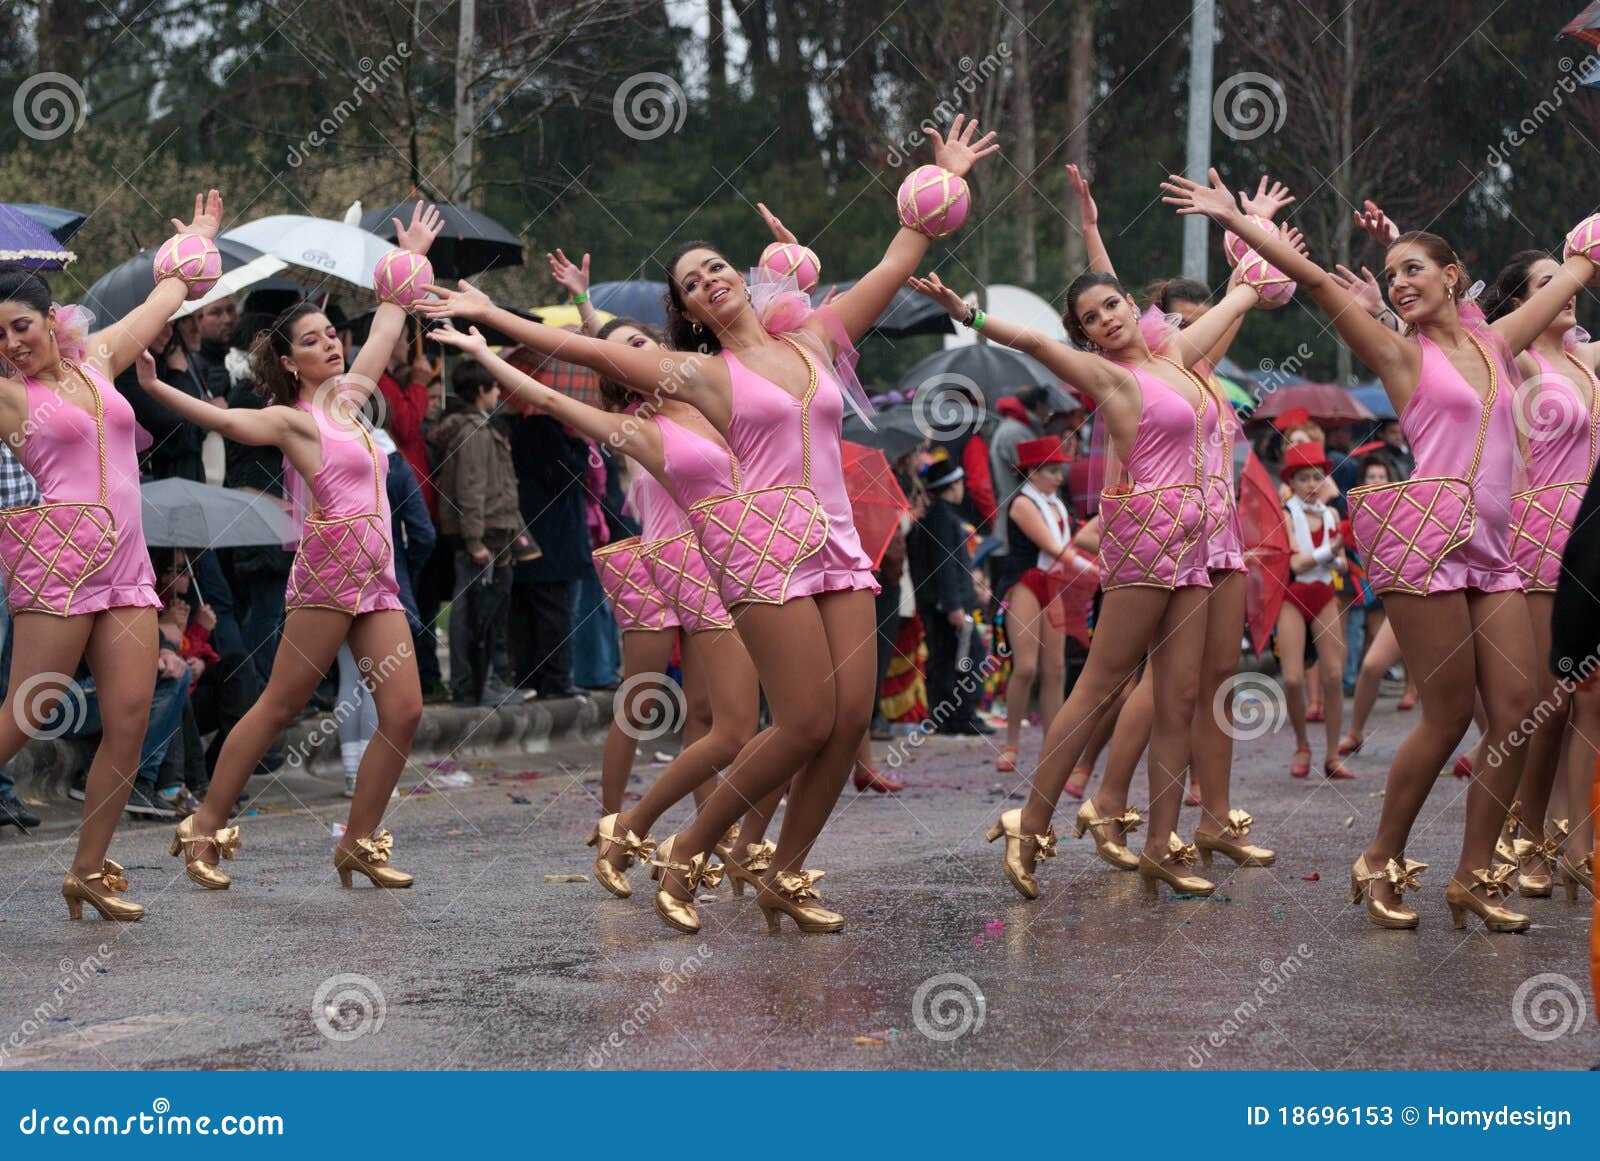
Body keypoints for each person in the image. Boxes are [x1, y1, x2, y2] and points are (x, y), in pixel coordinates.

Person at [422, 113, 999, 934]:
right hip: (761, 547)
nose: (707, 281)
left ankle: (784, 870)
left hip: (835, 542)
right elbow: (586, 360)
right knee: (799, 720)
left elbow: (899, 256)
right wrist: (497, 318)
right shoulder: (700, 372)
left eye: (715, 267)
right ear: (688, 311)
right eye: (690, 283)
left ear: (742, 276)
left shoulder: (818, 336)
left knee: (847, 724)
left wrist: (942, 177)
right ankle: (688, 846)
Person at [1166, 167, 1592, 932]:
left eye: (1412, 270)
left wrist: (1588, 249)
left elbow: (1570, 279)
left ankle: (1471, 873)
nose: (1396, 285)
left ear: (1453, 276)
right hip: (1430, 547)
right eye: (1391, 276)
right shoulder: (1401, 358)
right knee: (1449, 715)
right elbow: (1316, 283)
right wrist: (1239, 222)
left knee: (1518, 711)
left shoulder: (1498, 341)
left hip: (1496, 552)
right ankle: (1380, 854)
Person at [909, 245, 1269, 902]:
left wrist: (1251, 247)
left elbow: (1239, 300)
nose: (1105, 319)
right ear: (1084, 334)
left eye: (1111, 304)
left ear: (1133, 307)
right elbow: (1034, 342)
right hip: (1141, 541)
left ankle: (1162, 845)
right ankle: (1033, 821)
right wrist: (968, 312)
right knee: (1102, 683)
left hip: (1192, 540)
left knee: (1180, 697)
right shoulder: (1110, 378)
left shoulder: (1178, 358)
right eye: (1089, 317)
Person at [141, 201, 441, 894]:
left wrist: (411, 255)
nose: (332, 345)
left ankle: (359, 840)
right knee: (278, 704)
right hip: (332, 570)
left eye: (333, 334)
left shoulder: (351, 399)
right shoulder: (296, 419)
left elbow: (391, 314)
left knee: (405, 709)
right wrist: (158, 385)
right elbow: (225, 417)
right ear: (288, 358)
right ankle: (205, 824)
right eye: (313, 340)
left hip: (377, 573)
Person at [431, 314, 769, 901]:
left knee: (719, 713)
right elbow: (552, 390)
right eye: (621, 353)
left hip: (731, 553)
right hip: (670, 558)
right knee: (646, 698)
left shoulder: (709, 393)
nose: (635, 351)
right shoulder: (635, 422)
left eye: (642, 341)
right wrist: (484, 350)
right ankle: (629, 825)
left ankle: (717, 837)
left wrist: (590, 311)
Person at [0, 190, 220, 920]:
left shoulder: (97, 357)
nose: (10, 343)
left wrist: (193, 247)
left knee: (129, 714)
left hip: (126, 567)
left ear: (50, 316)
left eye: (20, 326)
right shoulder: (7, 394)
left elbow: (164, 298)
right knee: (24, 715)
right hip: (59, 566)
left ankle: (88, 869)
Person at [1481, 251, 1600, 899]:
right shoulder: (1522, 360)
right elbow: (1487, 340)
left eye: (1571, 278)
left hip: (1591, 541)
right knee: (1545, 704)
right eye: (1549, 283)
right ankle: (1522, 832)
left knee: (1588, 697)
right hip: (1541, 537)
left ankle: (1575, 840)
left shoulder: (1585, 359)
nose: (1570, 291)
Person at [429, 360, 521, 707]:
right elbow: (471, 489)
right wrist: (475, 541)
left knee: (484, 612)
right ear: (481, 390)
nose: (499, 393)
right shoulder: (474, 432)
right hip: (485, 536)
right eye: (494, 387)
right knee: (477, 614)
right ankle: (476, 685)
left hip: (493, 531)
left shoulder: (479, 428)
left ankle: (480, 683)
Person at [990, 436, 1085, 774]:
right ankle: (1012, 743)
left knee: (1056, 669)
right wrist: (1092, 569)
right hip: (1026, 583)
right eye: (1051, 471)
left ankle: (1054, 746)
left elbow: (1075, 540)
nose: (1059, 478)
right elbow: (1054, 547)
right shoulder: (1022, 504)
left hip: (1054, 582)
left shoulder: (1057, 504)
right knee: (1026, 666)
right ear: (1031, 472)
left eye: (1060, 471)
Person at [1276, 442, 1352, 780]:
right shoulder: (1286, 513)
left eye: (1316, 477)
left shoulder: (1331, 514)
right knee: (1293, 679)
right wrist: (1331, 551)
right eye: (1303, 478)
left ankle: (1333, 754)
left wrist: (1334, 554)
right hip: (1292, 596)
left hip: (1323, 594)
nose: (1310, 484)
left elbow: (1344, 566)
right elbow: (1295, 562)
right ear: (1291, 482)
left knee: (1333, 676)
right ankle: (1302, 745)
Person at [908, 447, 990, 736]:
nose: (962, 490)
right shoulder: (942, 518)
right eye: (958, 484)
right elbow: (944, 565)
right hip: (948, 606)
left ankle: (948, 716)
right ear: (951, 486)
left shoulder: (939, 515)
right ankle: (961, 715)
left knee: (946, 659)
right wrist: (954, 605)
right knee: (966, 659)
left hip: (943, 603)